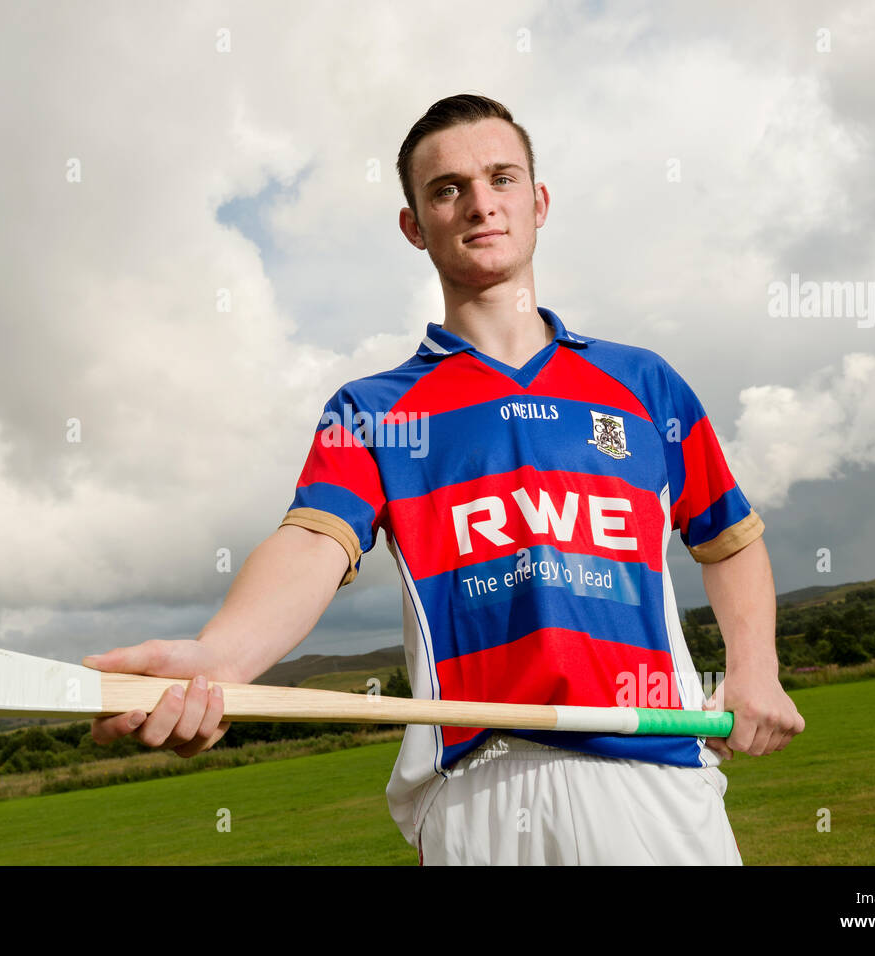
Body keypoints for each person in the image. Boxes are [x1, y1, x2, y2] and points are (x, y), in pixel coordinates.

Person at [86, 93, 805, 865]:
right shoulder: (373, 408)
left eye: (502, 179)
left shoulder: (644, 382)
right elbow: (313, 542)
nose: (479, 204)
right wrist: (222, 658)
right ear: (414, 226)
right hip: (480, 785)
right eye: (446, 188)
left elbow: (728, 541)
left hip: (655, 772)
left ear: (538, 202)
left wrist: (754, 669)